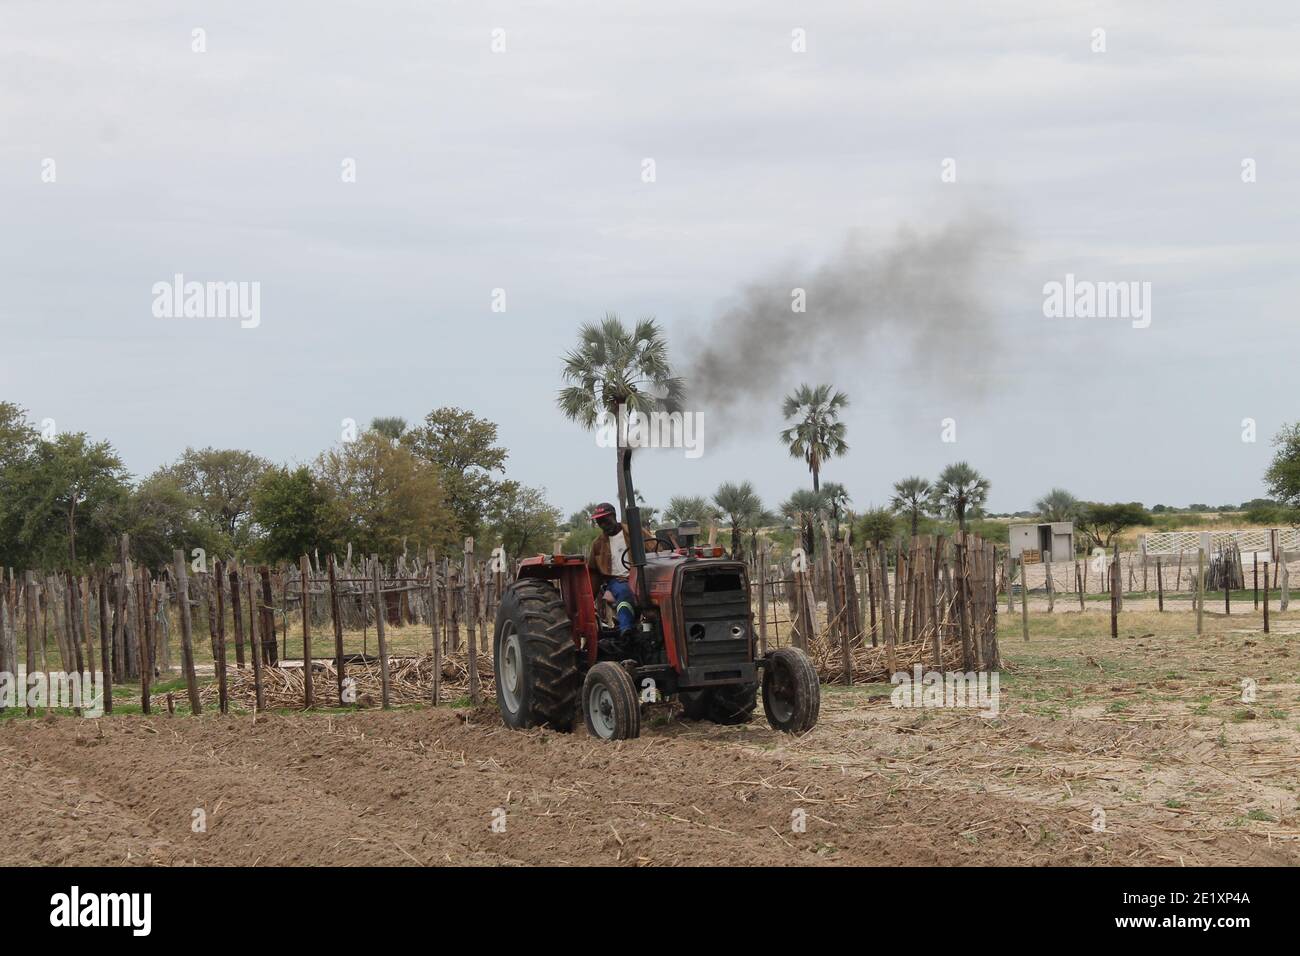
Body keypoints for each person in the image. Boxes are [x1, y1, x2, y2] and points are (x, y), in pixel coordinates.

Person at [588, 502, 638, 638]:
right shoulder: (598, 544)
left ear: (614, 516)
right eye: (600, 522)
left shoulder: (634, 532)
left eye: (606, 520)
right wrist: (589, 600)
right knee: (625, 592)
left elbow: (654, 548)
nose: (603, 525)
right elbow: (592, 571)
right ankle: (627, 629)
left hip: (640, 576)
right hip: (617, 580)